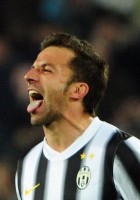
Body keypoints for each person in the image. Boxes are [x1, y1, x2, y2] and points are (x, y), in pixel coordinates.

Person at [15, 32, 140, 200]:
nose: (28, 76)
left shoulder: (122, 152)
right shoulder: (28, 165)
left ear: (77, 90)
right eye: (33, 69)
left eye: (46, 70)